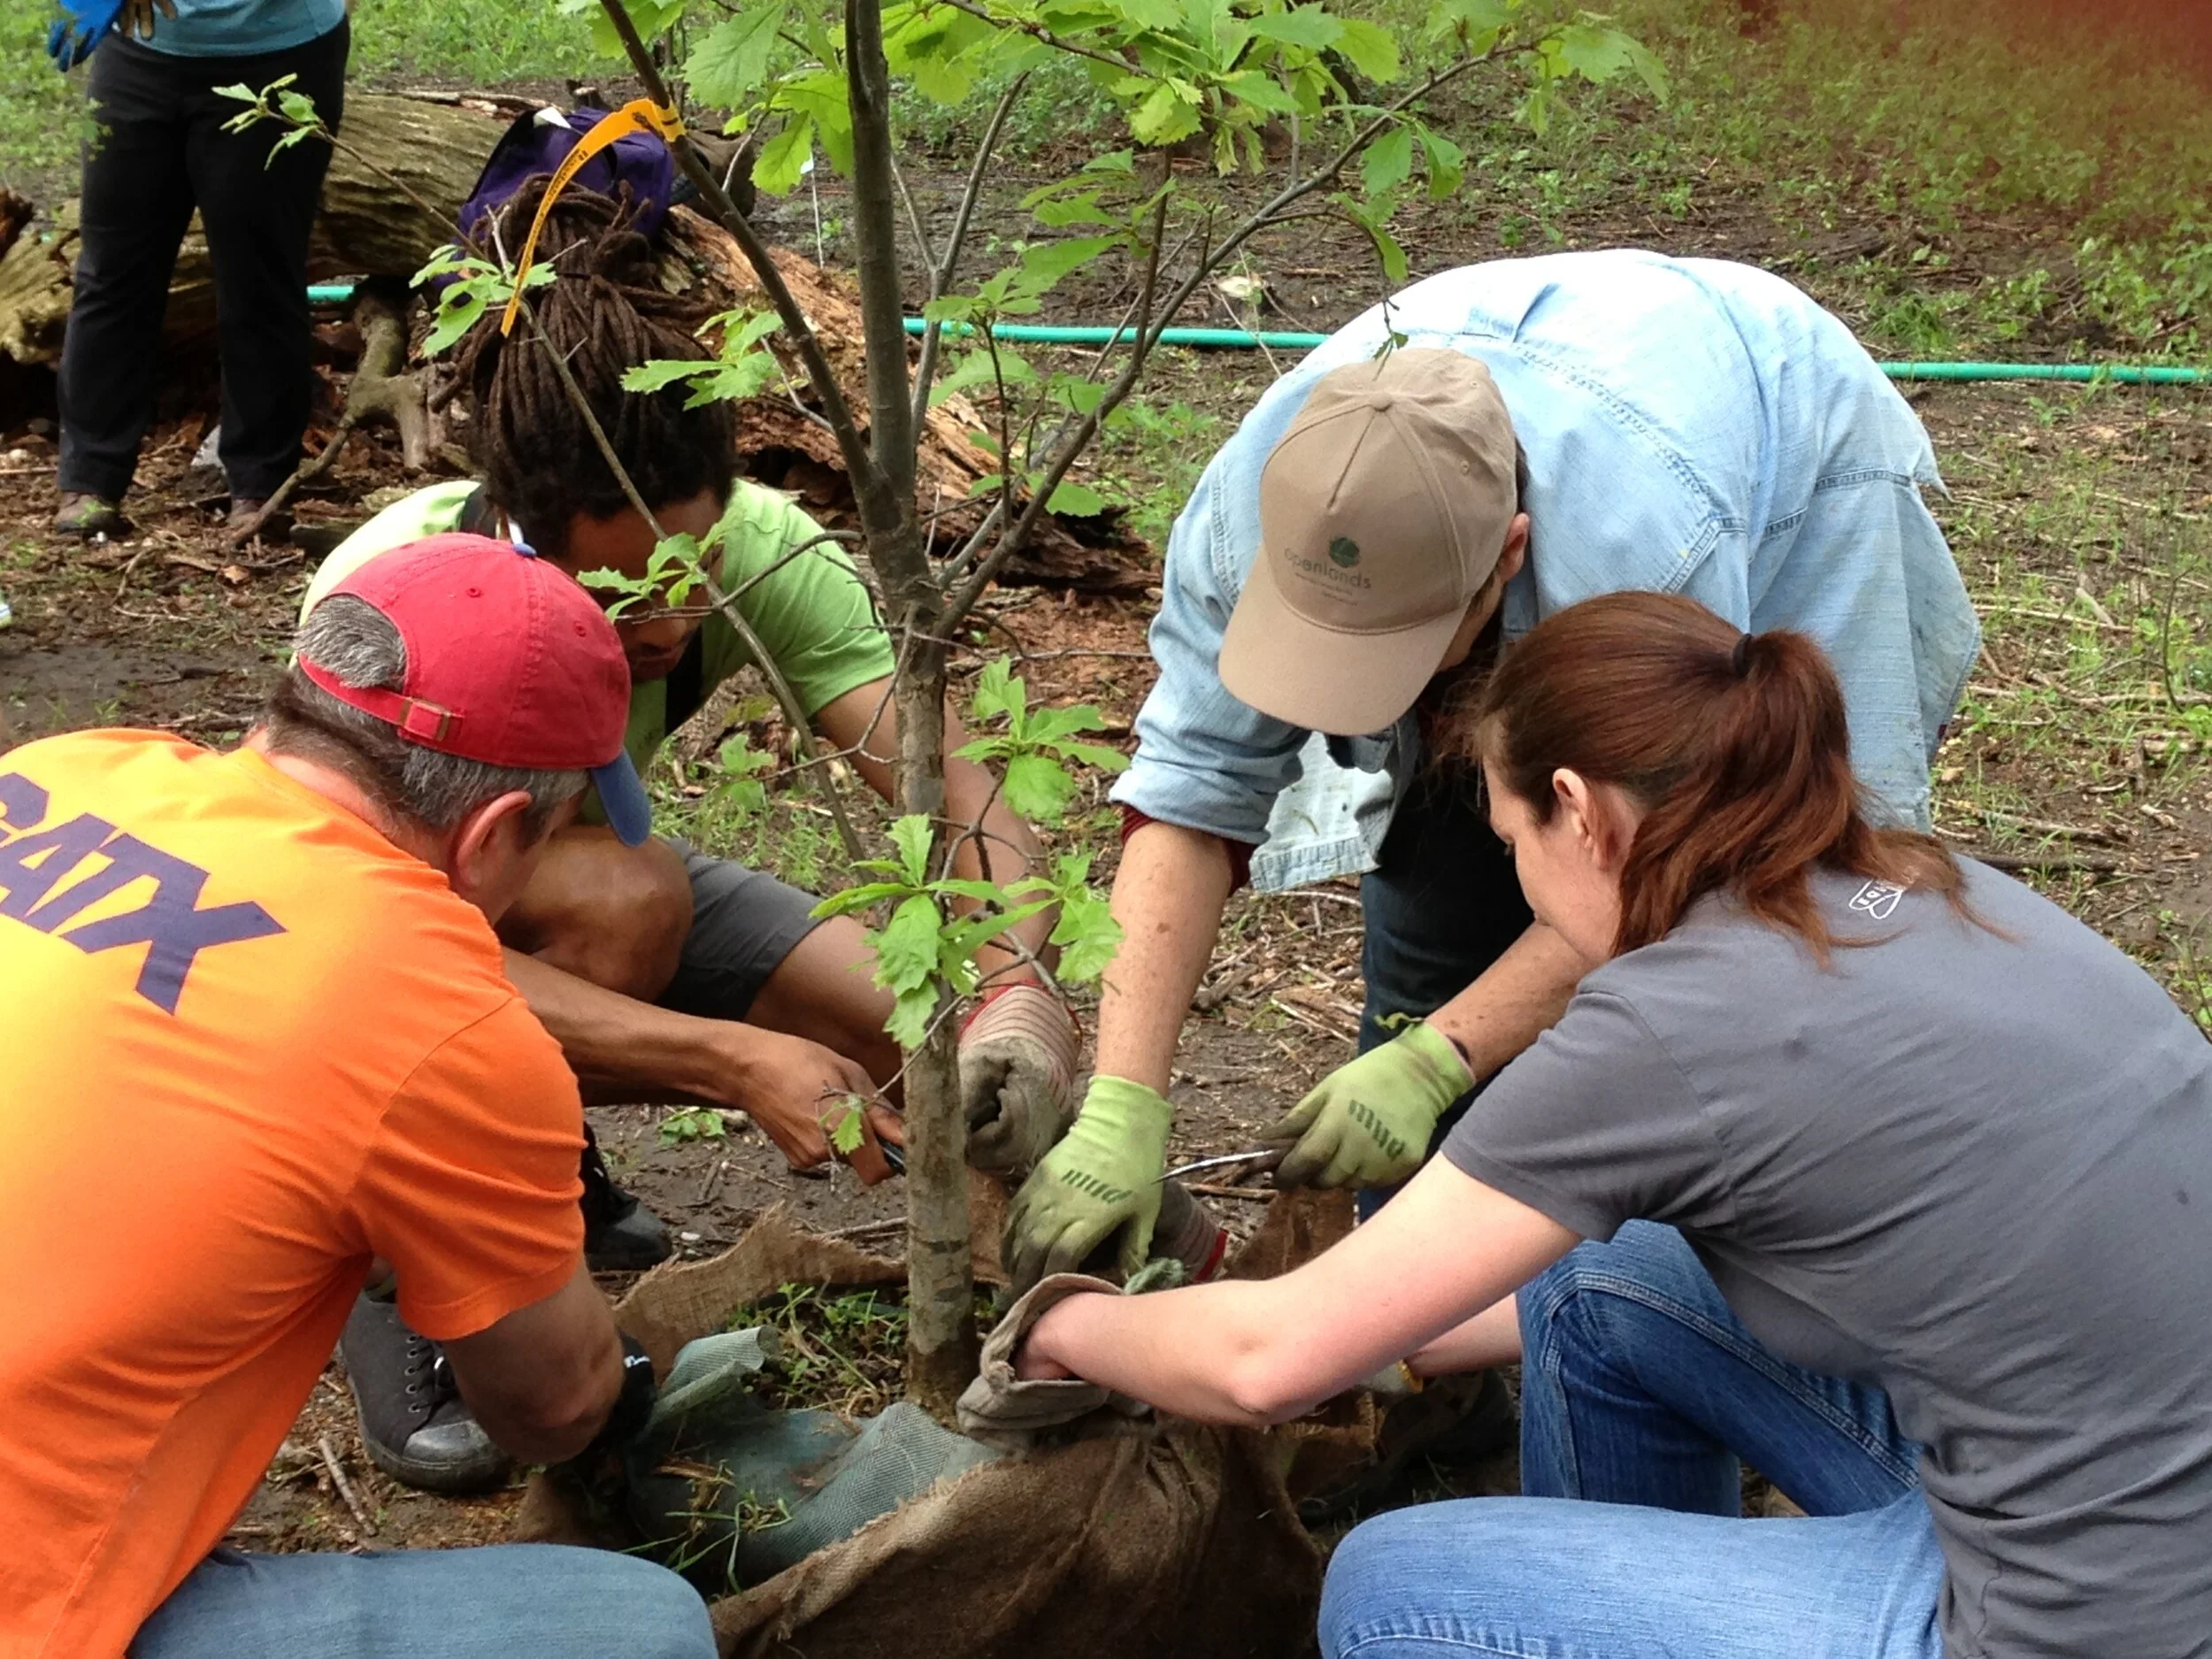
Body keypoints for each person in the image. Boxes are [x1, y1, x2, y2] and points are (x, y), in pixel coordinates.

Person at [1002, 591, 2212, 1659]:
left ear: (1577, 810)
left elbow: (1266, 1360)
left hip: (2085, 1619)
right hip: (2138, 1503)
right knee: (1603, 1279)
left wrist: (1072, 1327)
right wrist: (1401, 1334)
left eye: (1511, 834)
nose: (1519, 872)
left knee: (1393, 1586)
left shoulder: (1670, 1023)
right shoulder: (1931, 888)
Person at [303, 185, 1225, 1491]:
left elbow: (948, 774)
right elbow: (357, 954)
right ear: (526, 542)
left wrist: (1016, 986)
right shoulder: (396, 596)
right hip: (394, 950)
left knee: (919, 1025)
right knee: (623, 900)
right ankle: (407, 1262)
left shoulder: (753, 548)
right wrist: (731, 1059)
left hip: (579, 882)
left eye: (693, 566)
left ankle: (1119, 1275)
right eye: (625, 590)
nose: (674, 614)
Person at [1005, 250, 1984, 1298]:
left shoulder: (1651, 558)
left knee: (1766, 921)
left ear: (1509, 554)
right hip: (1547, 398)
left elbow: (1672, 860)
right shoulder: (1256, 510)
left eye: (1411, 646)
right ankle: (1428, 1364)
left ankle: (1682, 1308)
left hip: (1780, 444)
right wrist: (1123, 1104)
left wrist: (1444, 1058)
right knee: (1438, 906)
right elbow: (1193, 787)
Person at [0, 533, 715, 1659]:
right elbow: (550, 1409)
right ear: (493, 837)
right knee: (638, 1631)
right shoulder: (438, 1014)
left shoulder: (60, 772)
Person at [50, 0, 349, 539]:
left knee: (260, 277)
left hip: (277, 59)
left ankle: (260, 487)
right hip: (138, 55)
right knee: (113, 270)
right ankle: (89, 479)